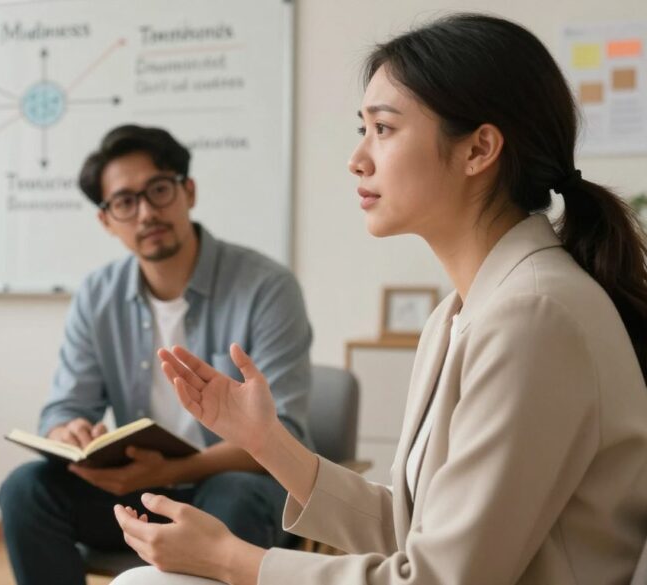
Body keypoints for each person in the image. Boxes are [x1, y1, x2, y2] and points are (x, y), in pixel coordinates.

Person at [111, 13, 647, 585]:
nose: (358, 158)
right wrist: (265, 442)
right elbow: (418, 530)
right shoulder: (465, 312)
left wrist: (230, 559)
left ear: (479, 150)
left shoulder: (535, 316)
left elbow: (440, 577)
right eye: (360, 129)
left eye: (383, 129)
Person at [0, 124, 315, 585]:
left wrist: (179, 469)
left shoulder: (266, 287)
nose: (146, 213)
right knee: (25, 490)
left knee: (235, 498)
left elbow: (284, 433)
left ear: (188, 191)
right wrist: (69, 430)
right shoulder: (96, 295)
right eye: (125, 202)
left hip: (233, 484)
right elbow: (65, 406)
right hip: (138, 486)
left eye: (159, 190)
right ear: (107, 220)